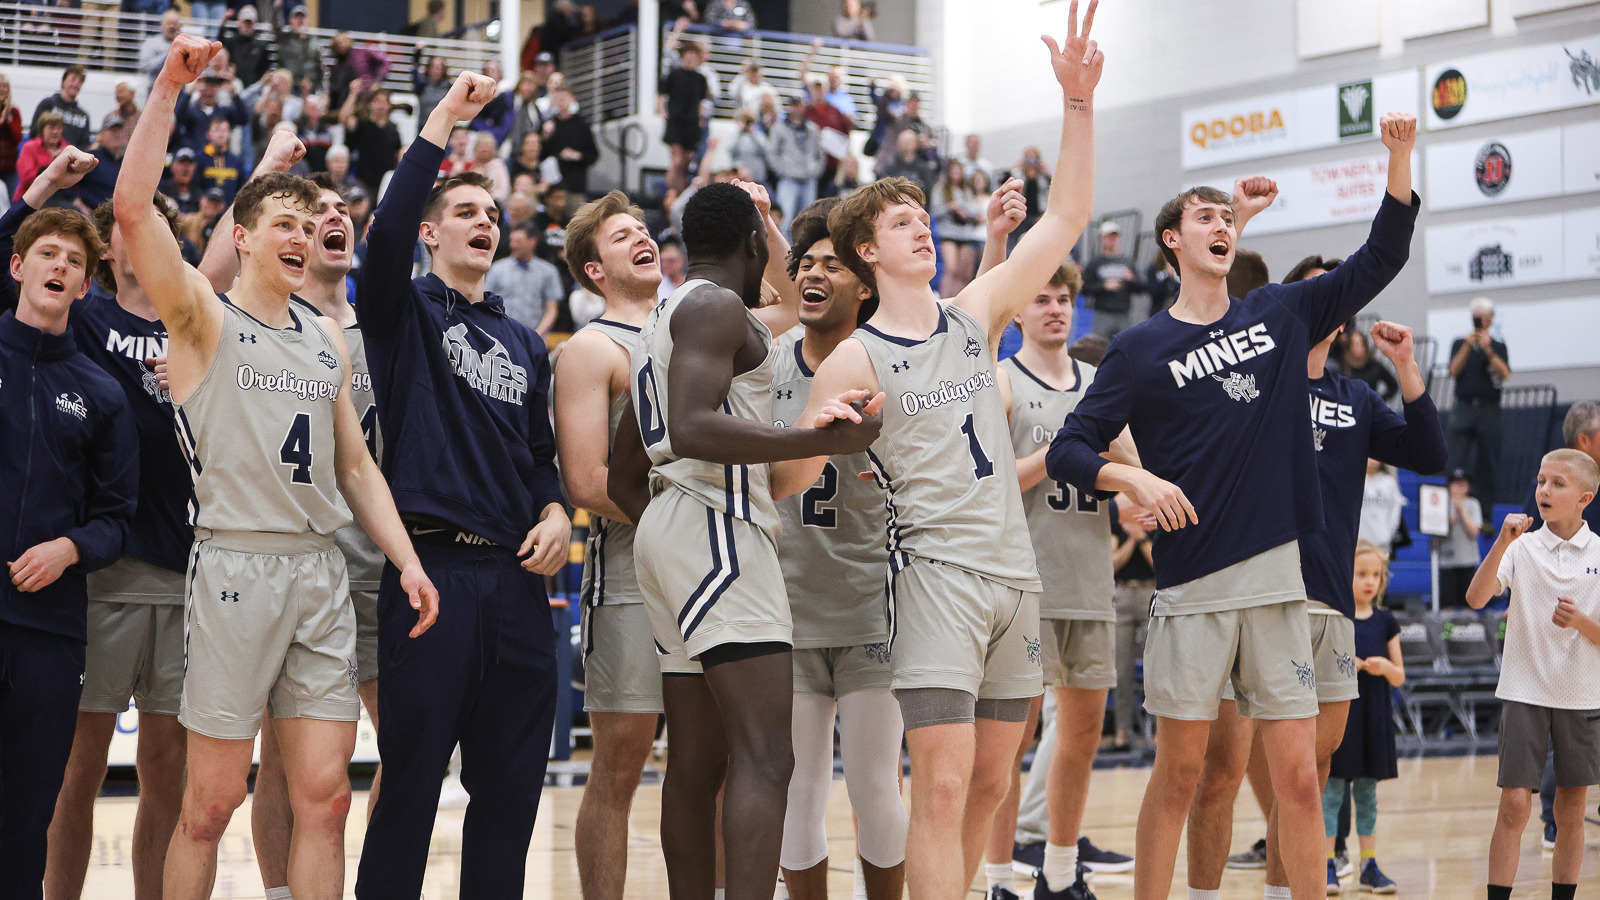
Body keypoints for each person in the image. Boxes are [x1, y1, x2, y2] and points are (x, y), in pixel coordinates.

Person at [1047, 110, 1418, 900]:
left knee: (1299, 778)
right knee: (1183, 773)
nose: (1220, 225)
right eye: (1204, 217)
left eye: (1227, 217)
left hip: (1280, 582)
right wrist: (1132, 481)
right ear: (1171, 241)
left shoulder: (1279, 314)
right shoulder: (1140, 348)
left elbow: (1382, 256)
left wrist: (1399, 157)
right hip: (1193, 585)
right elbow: (1068, 449)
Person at [114, 35, 439, 900]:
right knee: (210, 804)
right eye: (284, 224)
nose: (301, 235)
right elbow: (134, 210)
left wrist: (407, 562)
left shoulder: (325, 335)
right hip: (235, 565)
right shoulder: (202, 318)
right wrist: (167, 88)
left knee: (326, 799)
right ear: (244, 237)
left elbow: (357, 467)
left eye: (308, 223)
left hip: (318, 570)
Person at [797, 7, 1102, 897]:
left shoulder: (976, 316)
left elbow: (1067, 214)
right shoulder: (855, 357)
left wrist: (1077, 102)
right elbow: (786, 478)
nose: (922, 229)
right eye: (902, 223)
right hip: (934, 579)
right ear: (867, 251)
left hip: (1016, 575)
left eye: (924, 217)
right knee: (937, 785)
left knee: (991, 786)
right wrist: (817, 434)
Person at [604, 180, 880, 900]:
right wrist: (818, 439)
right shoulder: (716, 307)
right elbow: (694, 425)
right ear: (752, 244)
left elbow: (624, 472)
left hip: (669, 528)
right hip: (717, 526)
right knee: (766, 756)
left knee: (699, 764)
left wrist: (669, 534)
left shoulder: (663, 320)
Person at [351, 72, 572, 900]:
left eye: (492, 214)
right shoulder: (400, 312)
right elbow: (386, 228)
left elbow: (539, 454)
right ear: (430, 233)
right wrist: (446, 117)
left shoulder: (526, 341)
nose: (486, 223)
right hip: (431, 574)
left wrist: (557, 508)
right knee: (410, 785)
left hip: (516, 582)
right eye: (467, 213)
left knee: (511, 794)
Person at [1184, 262, 1446, 900]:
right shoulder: (1248, 382)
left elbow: (1431, 455)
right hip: (1247, 596)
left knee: (1308, 775)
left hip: (1328, 602)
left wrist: (1406, 366)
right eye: (1314, 285)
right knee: (1220, 772)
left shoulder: (1356, 399)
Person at [0, 148, 187, 900]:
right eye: (46, 255)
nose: (59, 267)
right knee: (72, 773)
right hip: (102, 589)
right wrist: (44, 186)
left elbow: (110, 512)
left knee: (46, 797)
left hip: (116, 591)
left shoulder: (130, 366)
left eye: (69, 260)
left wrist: (70, 546)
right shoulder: (80, 325)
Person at [989, 261, 1139, 900]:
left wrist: (1140, 496)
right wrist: (1061, 455)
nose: (1055, 308)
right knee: (1011, 743)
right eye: (1041, 298)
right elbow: (992, 480)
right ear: (1019, 312)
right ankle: (998, 879)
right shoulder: (1002, 379)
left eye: (1063, 299)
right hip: (1026, 582)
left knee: (1080, 738)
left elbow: (1131, 470)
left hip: (1090, 579)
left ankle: (1058, 871)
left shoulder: (1099, 385)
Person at [774, 198, 908, 900]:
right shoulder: (764, 363)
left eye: (832, 263)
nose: (813, 274)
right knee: (797, 788)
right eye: (805, 263)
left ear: (865, 284)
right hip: (784, 609)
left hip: (872, 610)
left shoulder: (891, 365)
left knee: (874, 785)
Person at [551, 190, 667, 900]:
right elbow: (587, 482)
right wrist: (681, 521)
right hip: (629, 572)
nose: (642, 238)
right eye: (622, 237)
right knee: (619, 766)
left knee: (710, 763)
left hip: (711, 572)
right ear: (595, 271)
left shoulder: (694, 328)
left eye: (643, 229)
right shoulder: (592, 348)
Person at [1465, 448, 1600, 900]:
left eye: (1558, 483)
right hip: (1524, 691)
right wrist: (1501, 543)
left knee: (1571, 810)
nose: (1544, 490)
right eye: (1541, 481)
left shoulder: (1599, 553)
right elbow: (1476, 598)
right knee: (1514, 805)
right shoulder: (1520, 547)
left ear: (1584, 498)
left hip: (1582, 694)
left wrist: (1581, 622)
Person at [1323, 541, 1405, 895]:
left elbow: (1400, 676)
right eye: (1361, 574)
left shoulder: (1387, 622)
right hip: (1342, 718)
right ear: (1346, 575)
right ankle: (1327, 863)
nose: (1369, 581)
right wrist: (1347, 665)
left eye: (1375, 575)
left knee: (1368, 795)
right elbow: (1322, 665)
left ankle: (1369, 865)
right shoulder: (1336, 619)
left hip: (1373, 718)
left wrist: (1384, 667)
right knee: (1332, 793)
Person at [1447, 297, 1511, 510]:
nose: (1480, 322)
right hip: (1464, 407)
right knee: (1457, 460)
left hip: (1489, 409)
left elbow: (1505, 373)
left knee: (1487, 462)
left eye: (1484, 318)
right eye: (1477, 317)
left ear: (1491, 320)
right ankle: (1453, 510)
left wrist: (1488, 349)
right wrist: (1468, 345)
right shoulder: (1460, 343)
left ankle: (1485, 514)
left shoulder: (1498, 345)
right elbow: (1453, 371)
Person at [486, 220, 565, 335]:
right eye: (512, 241)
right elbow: (486, 304)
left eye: (518, 242)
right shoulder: (497, 269)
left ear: (532, 242)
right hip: (502, 336)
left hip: (535, 336)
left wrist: (536, 336)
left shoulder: (548, 272)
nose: (513, 245)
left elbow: (552, 310)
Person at [659, 35, 710, 194]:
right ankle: (669, 193)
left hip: (691, 122)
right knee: (677, 160)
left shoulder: (700, 79)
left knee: (686, 163)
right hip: (676, 121)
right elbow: (661, 93)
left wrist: (700, 117)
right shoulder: (674, 75)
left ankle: (680, 194)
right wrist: (662, 111)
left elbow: (700, 101)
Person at [769, 94, 824, 237]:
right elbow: (772, 152)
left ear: (803, 106)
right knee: (785, 221)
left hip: (809, 180)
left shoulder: (812, 128)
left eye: (798, 105)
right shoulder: (779, 127)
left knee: (807, 221)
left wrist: (815, 171)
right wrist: (782, 171)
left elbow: (820, 153)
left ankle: (803, 250)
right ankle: (784, 250)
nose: (796, 108)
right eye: (793, 105)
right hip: (788, 179)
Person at [1080, 219, 1141, 338]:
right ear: (1102, 239)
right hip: (1103, 313)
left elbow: (1141, 288)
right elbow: (1085, 289)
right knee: (1099, 346)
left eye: (1114, 237)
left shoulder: (1127, 262)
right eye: (1108, 237)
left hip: (1124, 313)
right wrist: (1103, 286)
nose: (1112, 240)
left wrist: (1131, 279)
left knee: (1125, 345)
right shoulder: (1095, 263)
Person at [540, 84, 599, 199]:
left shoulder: (581, 124)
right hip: (551, 189)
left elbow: (593, 155)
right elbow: (540, 155)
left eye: (564, 98)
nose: (561, 101)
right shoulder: (548, 124)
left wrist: (577, 155)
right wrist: (545, 136)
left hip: (575, 186)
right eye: (557, 98)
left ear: (572, 99)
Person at [340, 88, 402, 198]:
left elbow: (398, 153)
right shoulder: (362, 125)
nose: (381, 105)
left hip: (386, 181)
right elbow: (344, 118)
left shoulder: (393, 129)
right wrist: (353, 93)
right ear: (370, 105)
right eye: (378, 101)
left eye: (385, 102)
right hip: (364, 181)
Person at [1435, 469, 1483, 608]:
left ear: (1468, 487)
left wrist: (1461, 510)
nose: (1459, 488)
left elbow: (1474, 531)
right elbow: (1439, 530)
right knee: (1447, 603)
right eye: (1456, 484)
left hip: (1467, 560)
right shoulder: (1441, 503)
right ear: (1449, 485)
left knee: (1467, 604)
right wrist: (1454, 514)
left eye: (1462, 485)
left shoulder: (1473, 504)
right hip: (1446, 560)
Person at [75, 114, 128, 212]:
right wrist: (76, 201)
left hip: (120, 214)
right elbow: (68, 185)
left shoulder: (127, 163)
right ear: (101, 135)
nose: (117, 134)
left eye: (119, 130)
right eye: (112, 130)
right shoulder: (90, 157)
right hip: (93, 212)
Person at [14, 112, 68, 205]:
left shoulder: (67, 148)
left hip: (58, 199)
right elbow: (27, 179)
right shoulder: (29, 147)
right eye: (51, 128)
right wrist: (53, 164)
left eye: (59, 128)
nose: (55, 131)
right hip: (30, 198)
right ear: (42, 129)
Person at [1336, 329, 1399, 404]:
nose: (1358, 349)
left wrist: (1379, 401)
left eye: (1361, 345)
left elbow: (1393, 386)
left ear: (1365, 346)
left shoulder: (1374, 366)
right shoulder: (1342, 366)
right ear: (1349, 347)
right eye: (1355, 345)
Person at [1359, 459, 1406, 554]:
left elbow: (1395, 511)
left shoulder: (1389, 482)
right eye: (1369, 458)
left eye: (1375, 458)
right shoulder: (1355, 481)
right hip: (1359, 539)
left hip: (1382, 540)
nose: (1372, 461)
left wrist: (1388, 533)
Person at [195, 117, 246, 203]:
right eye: (217, 130)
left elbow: (241, 188)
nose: (220, 135)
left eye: (224, 131)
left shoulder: (237, 161)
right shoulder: (200, 158)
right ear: (208, 133)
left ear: (229, 134)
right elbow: (195, 186)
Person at [276, 6, 324, 94]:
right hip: (288, 87)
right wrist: (277, 7)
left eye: (303, 18)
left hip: (310, 87)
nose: (300, 21)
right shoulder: (283, 39)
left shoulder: (315, 42)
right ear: (291, 20)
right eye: (297, 18)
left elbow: (320, 68)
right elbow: (275, 24)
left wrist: (319, 89)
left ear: (307, 20)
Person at [219, 5, 268, 85]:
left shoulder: (261, 45)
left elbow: (264, 67)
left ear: (255, 23)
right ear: (239, 21)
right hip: (232, 83)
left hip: (254, 85)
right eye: (245, 22)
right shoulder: (231, 41)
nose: (247, 25)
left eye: (250, 23)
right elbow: (220, 45)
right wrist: (224, 23)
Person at [139, 13, 184, 89]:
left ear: (180, 26)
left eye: (174, 24)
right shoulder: (150, 42)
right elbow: (146, 66)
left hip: (178, 89)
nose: (171, 27)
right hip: (155, 88)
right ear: (162, 25)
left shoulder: (185, 45)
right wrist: (169, 53)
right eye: (169, 23)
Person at [0, 74, 23, 201]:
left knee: (14, 200)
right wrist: (2, 118)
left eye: (4, 86)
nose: (2, 89)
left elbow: (17, 138)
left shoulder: (14, 112)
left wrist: (9, 120)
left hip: (9, 167)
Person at [161, 147, 201, 214]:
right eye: (182, 163)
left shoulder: (199, 197)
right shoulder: (162, 191)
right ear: (172, 167)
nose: (186, 169)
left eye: (189, 164)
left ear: (195, 168)